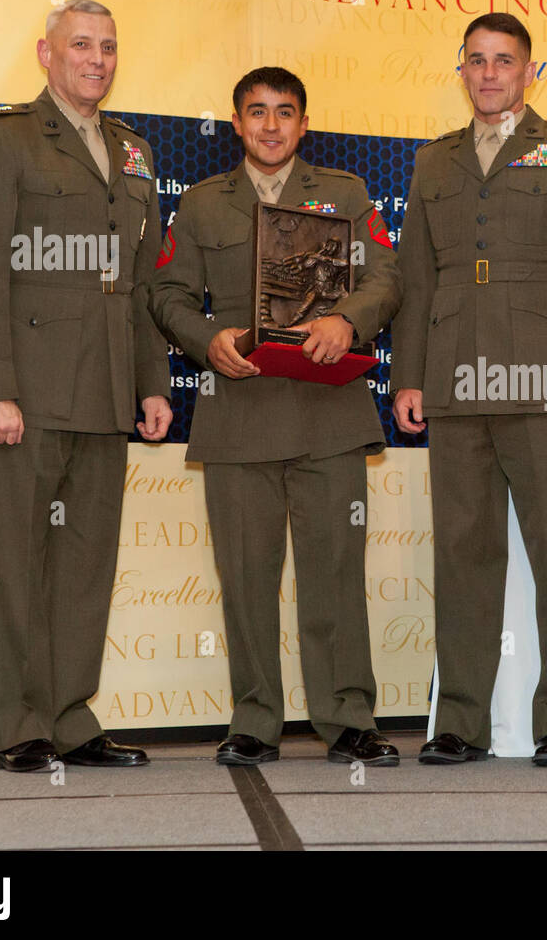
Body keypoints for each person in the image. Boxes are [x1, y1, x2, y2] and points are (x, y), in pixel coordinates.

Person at [0, 0, 172, 772]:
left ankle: (70, 717)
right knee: (20, 562)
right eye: (81, 45)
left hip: (105, 391)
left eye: (108, 46)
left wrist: (150, 382)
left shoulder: (133, 153)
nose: (96, 59)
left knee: (84, 565)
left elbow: (138, 283)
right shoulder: (3, 138)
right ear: (46, 54)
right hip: (28, 392)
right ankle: (18, 724)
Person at [391, 13, 547, 768]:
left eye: (503, 60)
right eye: (476, 60)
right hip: (455, 376)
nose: (489, 73)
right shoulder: (433, 160)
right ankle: (461, 722)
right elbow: (415, 278)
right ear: (460, 70)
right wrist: (409, 375)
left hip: (546, 377)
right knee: (463, 555)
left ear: (530, 71)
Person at [148, 67, 402, 767]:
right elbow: (166, 293)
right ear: (236, 123)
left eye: (284, 112)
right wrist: (206, 340)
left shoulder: (345, 195)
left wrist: (348, 321)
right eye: (256, 112)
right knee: (246, 579)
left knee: (335, 575)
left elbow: (386, 276)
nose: (270, 125)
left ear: (303, 123)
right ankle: (255, 720)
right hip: (240, 412)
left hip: (328, 413)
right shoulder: (202, 204)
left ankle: (347, 719)